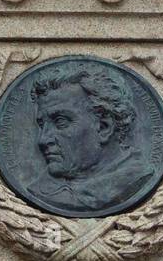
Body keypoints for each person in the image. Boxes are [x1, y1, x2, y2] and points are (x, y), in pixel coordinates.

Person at [27, 64, 150, 214]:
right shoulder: (39, 188)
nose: (43, 139)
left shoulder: (135, 178)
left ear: (104, 127)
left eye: (60, 121)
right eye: (42, 125)